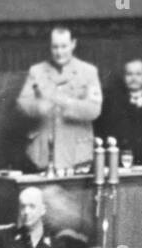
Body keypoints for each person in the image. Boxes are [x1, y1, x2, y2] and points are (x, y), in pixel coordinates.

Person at [15, 26, 102, 173]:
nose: (59, 52)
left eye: (64, 46)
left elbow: (94, 109)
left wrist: (68, 103)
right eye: (55, 47)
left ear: (73, 44)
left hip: (77, 155)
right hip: (42, 153)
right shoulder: (36, 71)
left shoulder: (88, 71)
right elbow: (22, 103)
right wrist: (38, 107)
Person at [95, 58, 142, 170]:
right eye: (129, 74)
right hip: (118, 167)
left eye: (138, 74)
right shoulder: (111, 104)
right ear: (124, 77)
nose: (134, 78)